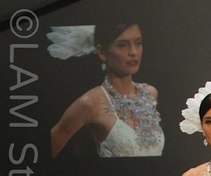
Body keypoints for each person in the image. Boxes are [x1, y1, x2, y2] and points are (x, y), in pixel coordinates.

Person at [49, 22, 165, 158]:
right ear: (102, 52)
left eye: (138, 43)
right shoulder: (91, 102)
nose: (133, 52)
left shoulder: (150, 93)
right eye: (122, 45)